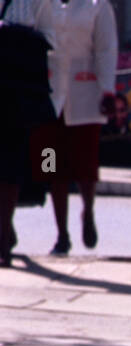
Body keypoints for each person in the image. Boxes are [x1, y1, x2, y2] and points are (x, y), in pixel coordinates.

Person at [30, 0, 117, 255]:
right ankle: (61, 234)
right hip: (51, 89)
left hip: (86, 91)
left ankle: (88, 211)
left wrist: (107, 89)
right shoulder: (44, 4)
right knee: (54, 165)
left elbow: (106, 49)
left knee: (85, 163)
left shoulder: (97, 6)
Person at [0, 0, 55, 267]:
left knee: (10, 166)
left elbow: (51, 41)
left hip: (17, 93)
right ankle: (5, 229)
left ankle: (3, 238)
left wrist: (13, 33)